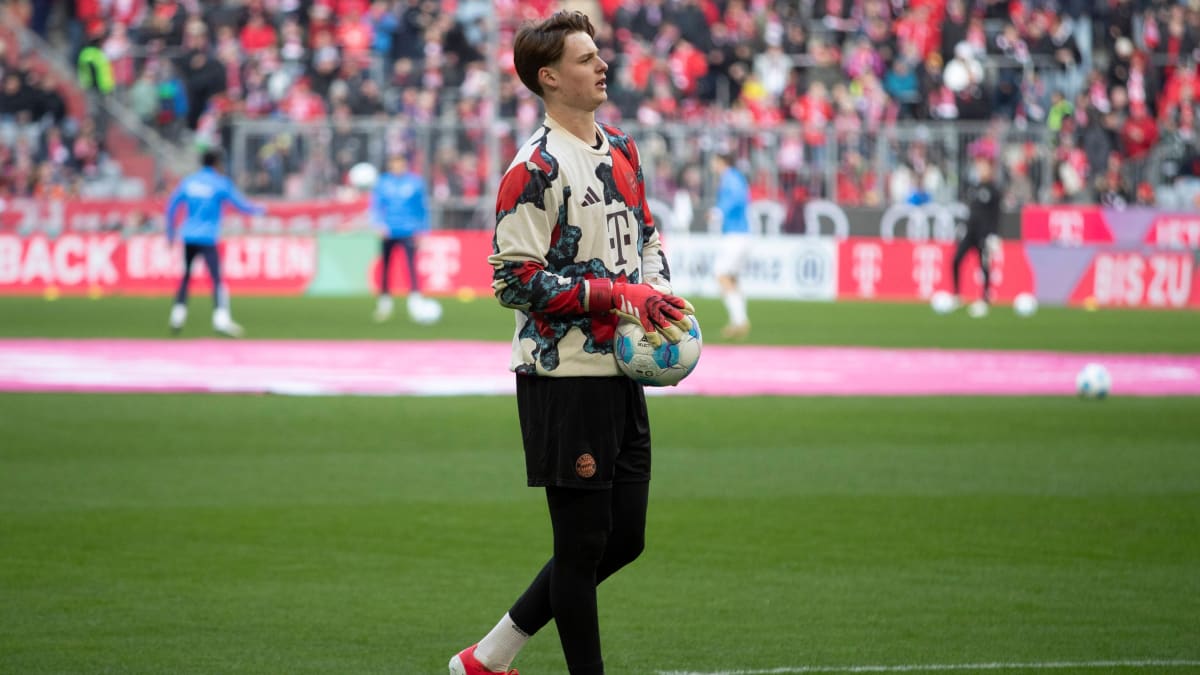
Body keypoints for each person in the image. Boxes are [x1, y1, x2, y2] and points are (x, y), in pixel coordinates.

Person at [449, 11, 694, 675]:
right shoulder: (532, 168)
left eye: (598, 53)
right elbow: (513, 279)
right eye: (585, 58)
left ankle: (488, 657)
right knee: (583, 545)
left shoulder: (622, 149)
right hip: (561, 376)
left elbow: (646, 233)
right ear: (549, 77)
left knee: (625, 538)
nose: (601, 65)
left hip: (621, 368)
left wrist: (657, 293)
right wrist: (619, 297)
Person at [165, 148, 266, 337]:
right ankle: (221, 319)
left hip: (188, 236)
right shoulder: (220, 183)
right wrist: (261, 210)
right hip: (208, 237)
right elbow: (241, 205)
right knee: (217, 280)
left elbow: (171, 207)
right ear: (217, 163)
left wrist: (170, 233)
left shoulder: (190, 181)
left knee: (186, 277)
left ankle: (177, 315)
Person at [369, 151, 431, 322]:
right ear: (391, 165)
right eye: (395, 163)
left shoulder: (415, 183)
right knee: (386, 267)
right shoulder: (383, 182)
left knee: (410, 267)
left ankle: (415, 303)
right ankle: (384, 303)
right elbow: (376, 206)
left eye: (400, 163)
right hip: (388, 232)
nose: (397, 167)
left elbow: (422, 208)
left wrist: (423, 231)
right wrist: (378, 224)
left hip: (408, 231)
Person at [709, 150, 753, 339]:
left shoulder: (730, 179)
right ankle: (739, 321)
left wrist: (719, 211)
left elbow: (734, 199)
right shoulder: (736, 178)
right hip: (741, 234)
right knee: (732, 278)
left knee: (721, 274)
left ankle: (740, 320)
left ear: (721, 161)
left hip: (735, 235)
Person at [952, 152, 1001, 318]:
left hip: (984, 234)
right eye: (979, 166)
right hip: (970, 231)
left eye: (984, 166)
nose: (980, 169)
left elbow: (996, 215)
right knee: (956, 259)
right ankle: (957, 294)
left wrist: (994, 235)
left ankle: (985, 298)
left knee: (984, 266)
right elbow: (970, 211)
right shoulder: (974, 188)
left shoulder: (994, 190)